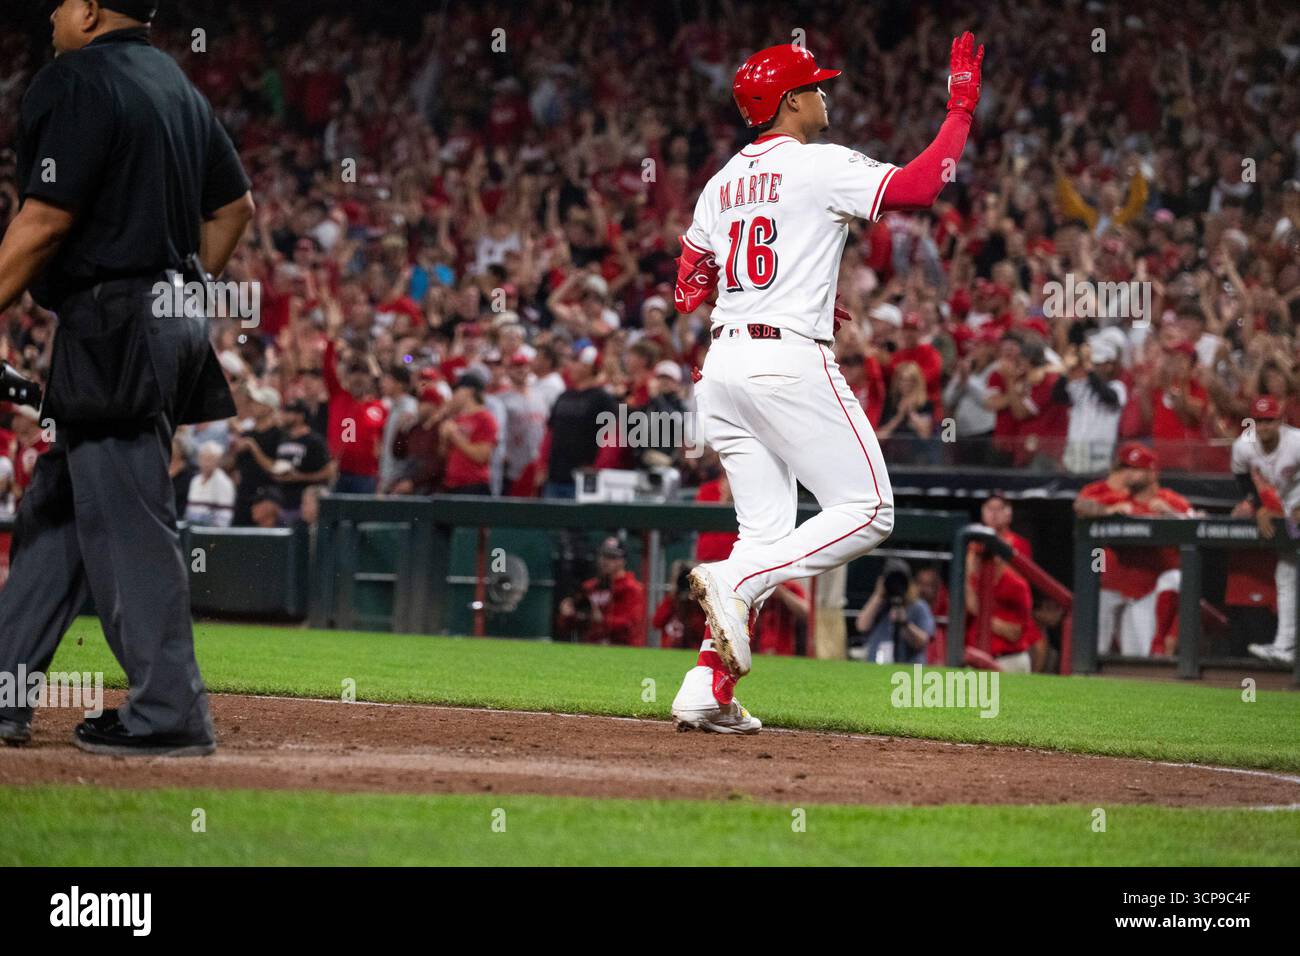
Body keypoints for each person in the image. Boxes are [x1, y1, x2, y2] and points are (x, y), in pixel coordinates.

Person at [670, 35, 983, 734]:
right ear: (787, 102)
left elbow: (690, 282)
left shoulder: (720, 181)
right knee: (870, 510)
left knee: (765, 533)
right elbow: (925, 184)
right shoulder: (817, 165)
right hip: (785, 361)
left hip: (722, 370)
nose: (823, 93)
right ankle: (736, 582)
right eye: (813, 86)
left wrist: (787, 284)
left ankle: (706, 685)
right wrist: (960, 108)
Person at [0, 0, 253, 755]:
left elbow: (44, 221)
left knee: (127, 522)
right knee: (66, 508)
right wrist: (174, 288)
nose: (46, 21)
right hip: (168, 317)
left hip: (117, 326)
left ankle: (168, 713)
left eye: (55, 7)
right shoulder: (177, 83)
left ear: (84, 11)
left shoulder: (76, 78)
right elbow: (237, 209)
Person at [1230, 396, 1300, 664]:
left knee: (1287, 572)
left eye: (1269, 420)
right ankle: (1285, 646)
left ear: (1280, 421)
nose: (1264, 426)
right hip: (1284, 505)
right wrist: (1257, 507)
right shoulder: (1243, 446)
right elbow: (1241, 476)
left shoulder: (1295, 442)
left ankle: (1285, 646)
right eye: (1259, 421)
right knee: (1286, 571)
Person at [556, 537, 646, 646]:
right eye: (603, 556)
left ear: (623, 560)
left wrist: (601, 620)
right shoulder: (589, 587)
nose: (606, 561)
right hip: (592, 649)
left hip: (622, 650)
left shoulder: (632, 588)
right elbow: (568, 627)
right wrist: (567, 615)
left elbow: (630, 625)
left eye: (612, 557)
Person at [854, 559, 935, 665]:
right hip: (876, 668)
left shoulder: (918, 606)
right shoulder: (880, 604)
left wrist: (905, 623)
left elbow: (922, 641)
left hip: (907, 670)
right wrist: (878, 595)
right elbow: (861, 626)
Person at [439, 371, 498, 495]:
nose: (454, 395)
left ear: (469, 391)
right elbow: (444, 454)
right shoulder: (457, 419)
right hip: (452, 484)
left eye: (458, 390)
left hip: (474, 485)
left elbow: (482, 456)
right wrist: (443, 437)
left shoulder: (485, 418)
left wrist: (455, 436)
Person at [184, 440, 236, 527]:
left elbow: (224, 516)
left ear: (218, 461)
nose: (206, 463)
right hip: (193, 531)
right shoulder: (195, 480)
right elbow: (189, 510)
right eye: (204, 458)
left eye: (211, 459)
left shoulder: (224, 483)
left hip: (211, 534)